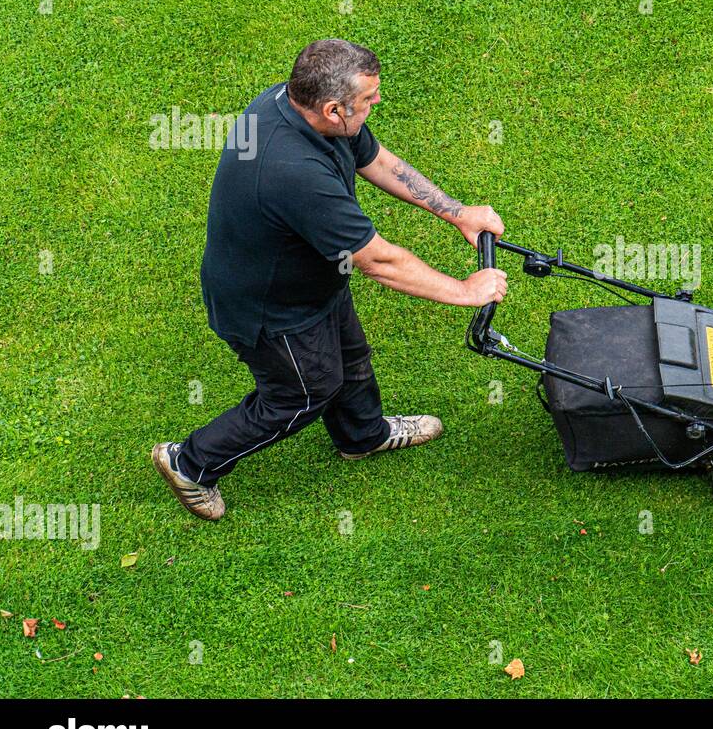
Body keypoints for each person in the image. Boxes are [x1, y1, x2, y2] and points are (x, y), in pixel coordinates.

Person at [152, 39, 507, 521]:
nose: (377, 104)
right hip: (270, 309)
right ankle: (190, 462)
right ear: (334, 108)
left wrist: (457, 212)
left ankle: (363, 436)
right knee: (301, 395)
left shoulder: (298, 106)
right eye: (368, 100)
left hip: (313, 277)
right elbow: (379, 261)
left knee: (350, 358)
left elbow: (376, 160)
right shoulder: (293, 172)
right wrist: (466, 291)